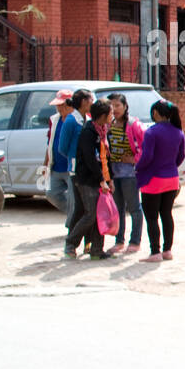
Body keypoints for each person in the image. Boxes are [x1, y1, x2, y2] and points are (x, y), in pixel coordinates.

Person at [134, 99, 185, 264]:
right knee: (167, 214)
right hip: (172, 178)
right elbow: (181, 157)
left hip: (153, 179)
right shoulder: (178, 132)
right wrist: (170, 167)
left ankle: (155, 252)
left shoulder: (152, 132)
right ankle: (167, 250)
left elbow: (147, 157)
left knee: (151, 217)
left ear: (155, 113)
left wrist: (138, 166)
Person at [64, 100, 113, 260]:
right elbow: (90, 158)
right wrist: (101, 180)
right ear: (103, 115)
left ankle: (97, 249)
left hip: (100, 178)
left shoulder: (104, 131)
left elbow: (106, 157)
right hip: (87, 179)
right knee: (90, 214)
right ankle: (71, 243)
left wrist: (109, 178)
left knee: (100, 213)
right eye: (110, 113)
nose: (112, 116)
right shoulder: (88, 132)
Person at [105, 93, 145, 254]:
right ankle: (119, 240)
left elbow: (145, 147)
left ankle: (135, 241)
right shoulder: (108, 125)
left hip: (130, 174)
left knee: (134, 208)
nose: (114, 109)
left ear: (125, 106)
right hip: (114, 174)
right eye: (111, 106)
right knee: (117, 209)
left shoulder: (133, 124)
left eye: (117, 105)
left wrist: (134, 159)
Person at [59, 89, 94, 232]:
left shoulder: (88, 119)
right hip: (76, 168)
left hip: (89, 167)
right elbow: (63, 147)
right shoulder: (71, 120)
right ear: (84, 101)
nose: (93, 102)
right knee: (79, 207)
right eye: (91, 100)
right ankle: (71, 240)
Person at [42, 89, 75, 215]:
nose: (59, 108)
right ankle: (75, 215)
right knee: (51, 194)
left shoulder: (78, 119)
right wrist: (45, 164)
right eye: (58, 105)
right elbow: (50, 142)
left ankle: (72, 226)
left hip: (72, 167)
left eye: (62, 105)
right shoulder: (54, 120)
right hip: (56, 167)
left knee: (73, 198)